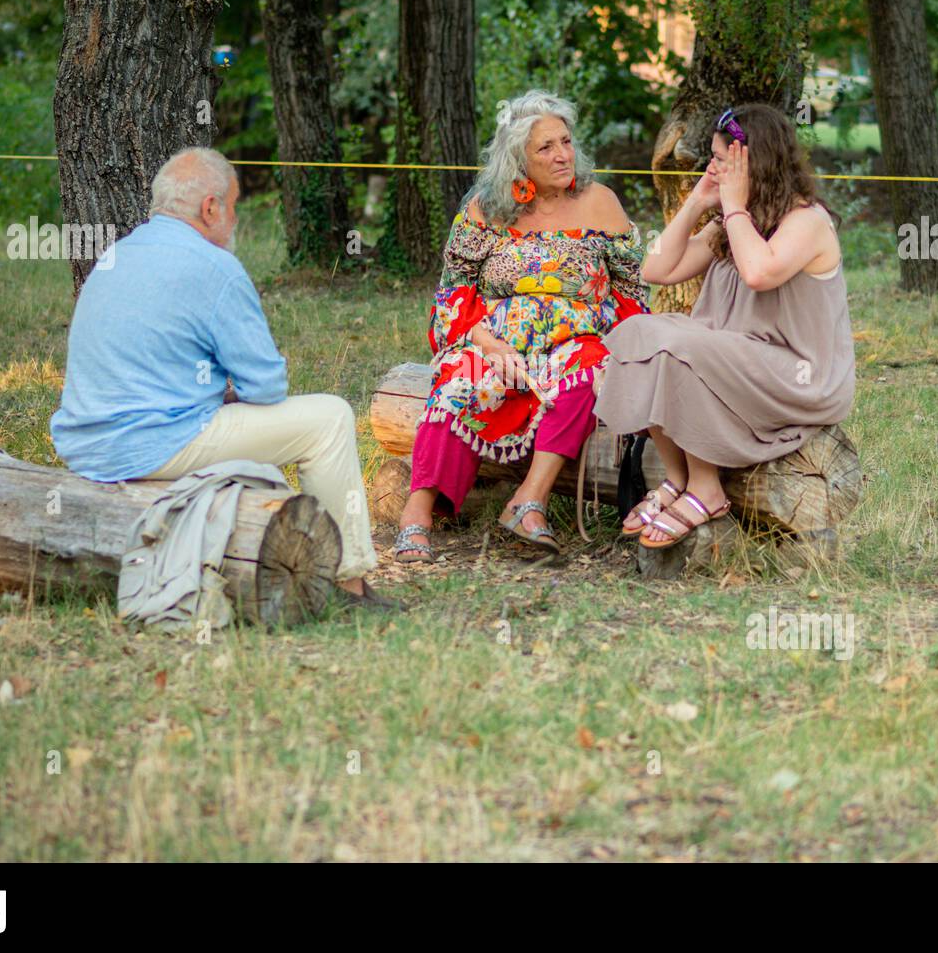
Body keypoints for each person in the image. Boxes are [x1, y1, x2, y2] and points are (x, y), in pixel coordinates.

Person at [50, 147, 384, 601]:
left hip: (85, 446)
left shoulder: (117, 255)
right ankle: (347, 579)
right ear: (210, 208)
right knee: (329, 418)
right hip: (150, 445)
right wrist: (228, 389)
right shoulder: (215, 266)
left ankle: (278, 541)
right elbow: (266, 387)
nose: (234, 219)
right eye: (233, 206)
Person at [392, 90, 649, 562]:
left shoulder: (601, 203)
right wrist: (489, 346)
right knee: (460, 384)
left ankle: (529, 501)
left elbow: (631, 293)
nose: (562, 155)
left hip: (577, 340)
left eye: (566, 142)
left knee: (584, 374)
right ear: (518, 160)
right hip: (497, 342)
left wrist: (630, 352)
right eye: (545, 148)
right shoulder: (486, 207)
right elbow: (453, 292)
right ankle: (417, 513)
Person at [593, 104, 855, 549]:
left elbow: (759, 272)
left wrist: (733, 206)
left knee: (683, 346)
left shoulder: (808, 222)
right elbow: (655, 269)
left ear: (753, 164)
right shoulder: (730, 224)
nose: (711, 168)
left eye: (720, 159)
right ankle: (677, 479)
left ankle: (707, 488)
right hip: (736, 358)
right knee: (642, 331)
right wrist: (697, 200)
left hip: (796, 373)